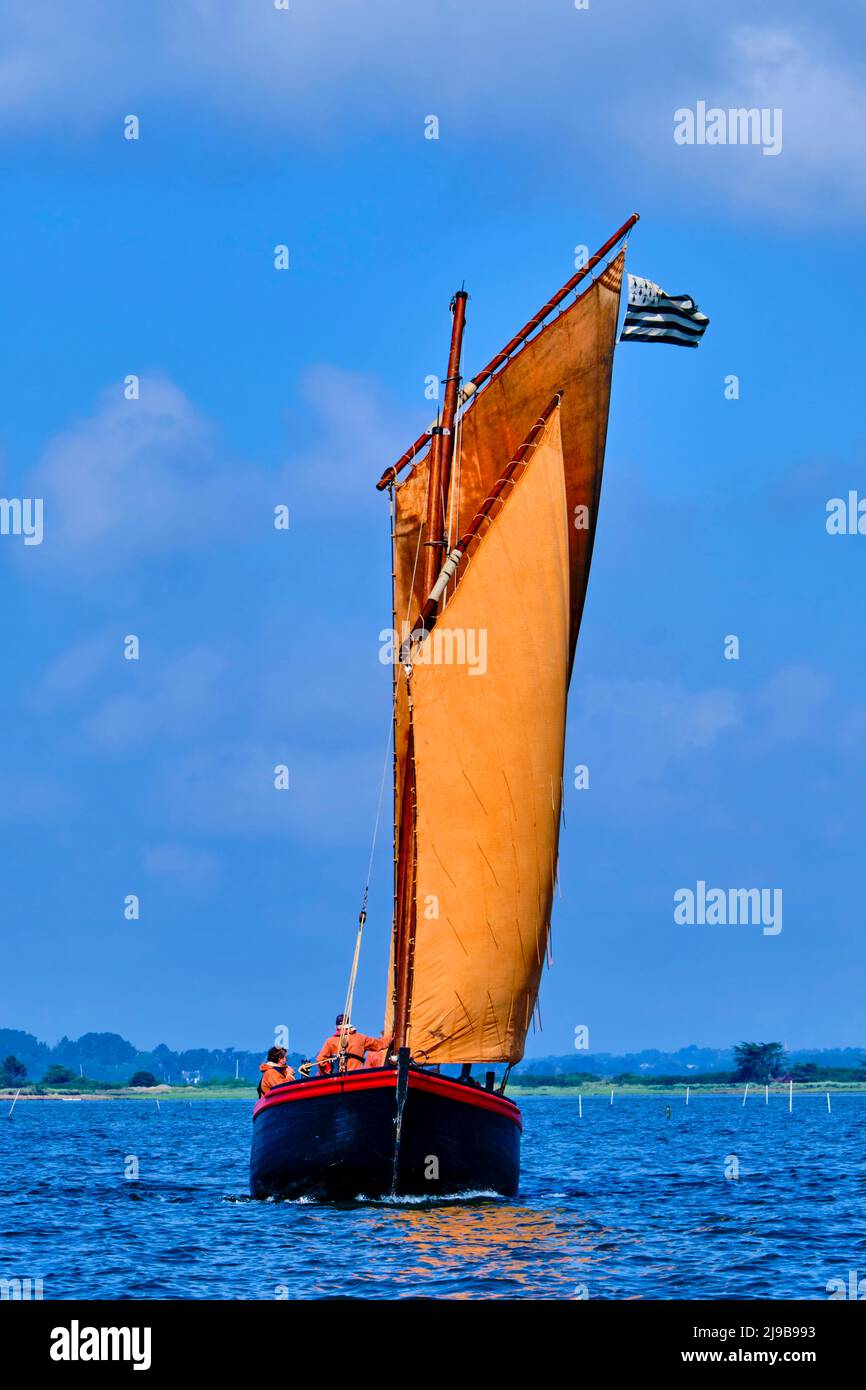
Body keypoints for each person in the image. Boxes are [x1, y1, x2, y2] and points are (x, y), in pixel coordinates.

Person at [317, 1014, 392, 1075]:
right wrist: (392, 1036)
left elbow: (320, 1060)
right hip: (355, 1077)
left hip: (337, 1079)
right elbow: (380, 1044)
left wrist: (328, 1072)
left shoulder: (330, 1041)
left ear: (336, 1027)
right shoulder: (361, 1038)